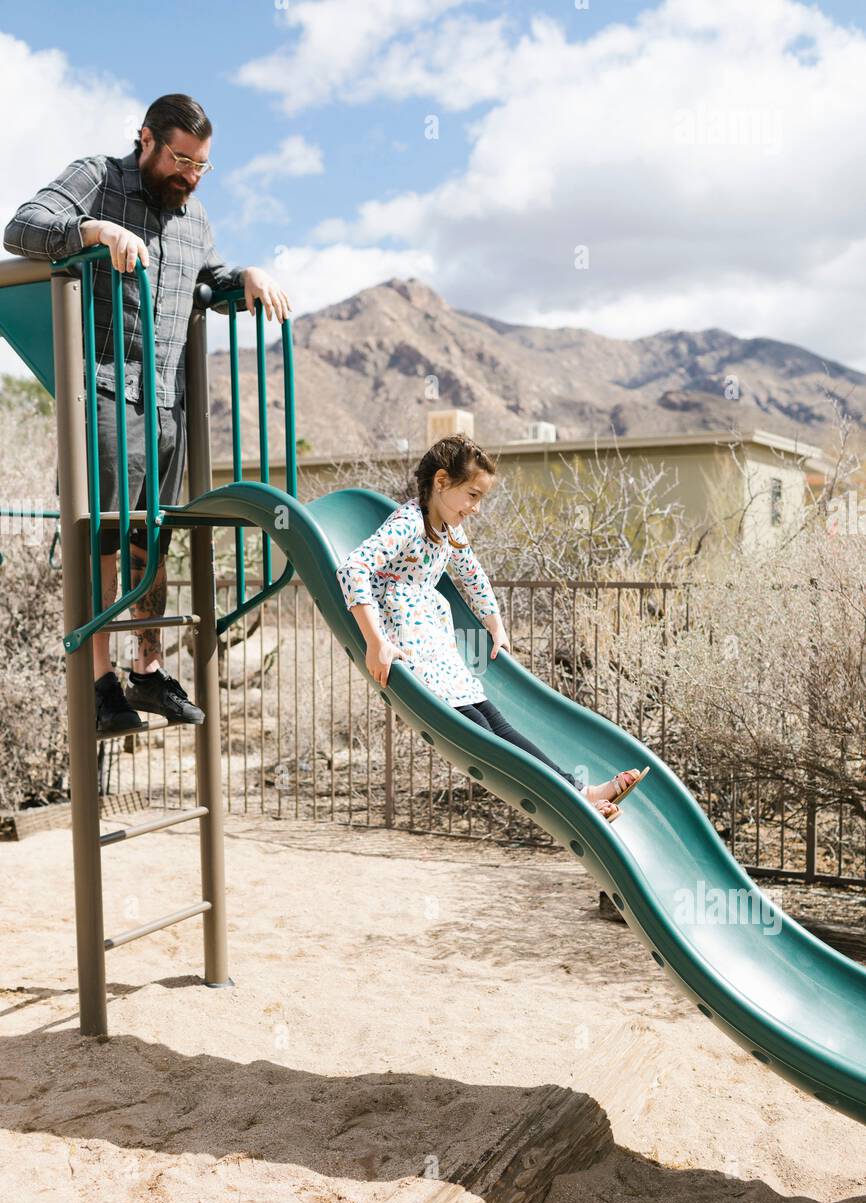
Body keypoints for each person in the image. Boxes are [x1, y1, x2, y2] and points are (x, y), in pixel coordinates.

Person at [3, 93, 292, 733]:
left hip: (166, 405)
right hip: (102, 387)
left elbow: (205, 277)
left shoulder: (193, 219)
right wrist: (91, 231)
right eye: (181, 160)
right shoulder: (99, 179)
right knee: (103, 533)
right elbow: (20, 227)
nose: (190, 175)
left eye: (202, 165)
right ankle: (99, 679)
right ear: (147, 141)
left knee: (150, 535)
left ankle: (148, 670)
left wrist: (244, 274)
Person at [335, 434, 646, 820]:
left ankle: (579, 791)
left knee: (494, 721)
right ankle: (572, 802)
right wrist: (374, 641)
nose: (476, 508)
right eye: (473, 495)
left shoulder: (450, 531)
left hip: (434, 642)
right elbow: (353, 567)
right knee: (480, 733)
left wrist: (495, 625)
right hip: (405, 640)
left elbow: (473, 577)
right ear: (442, 482)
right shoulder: (407, 523)